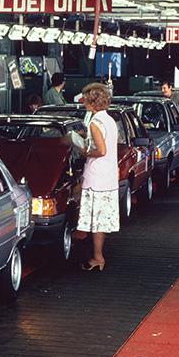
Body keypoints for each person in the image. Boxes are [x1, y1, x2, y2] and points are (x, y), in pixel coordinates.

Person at [77, 82, 119, 272]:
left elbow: (101, 150)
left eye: (86, 98)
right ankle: (98, 256)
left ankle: (97, 257)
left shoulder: (95, 123)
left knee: (94, 219)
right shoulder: (109, 120)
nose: (83, 101)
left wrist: (85, 152)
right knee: (101, 220)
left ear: (93, 102)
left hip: (96, 176)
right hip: (108, 175)